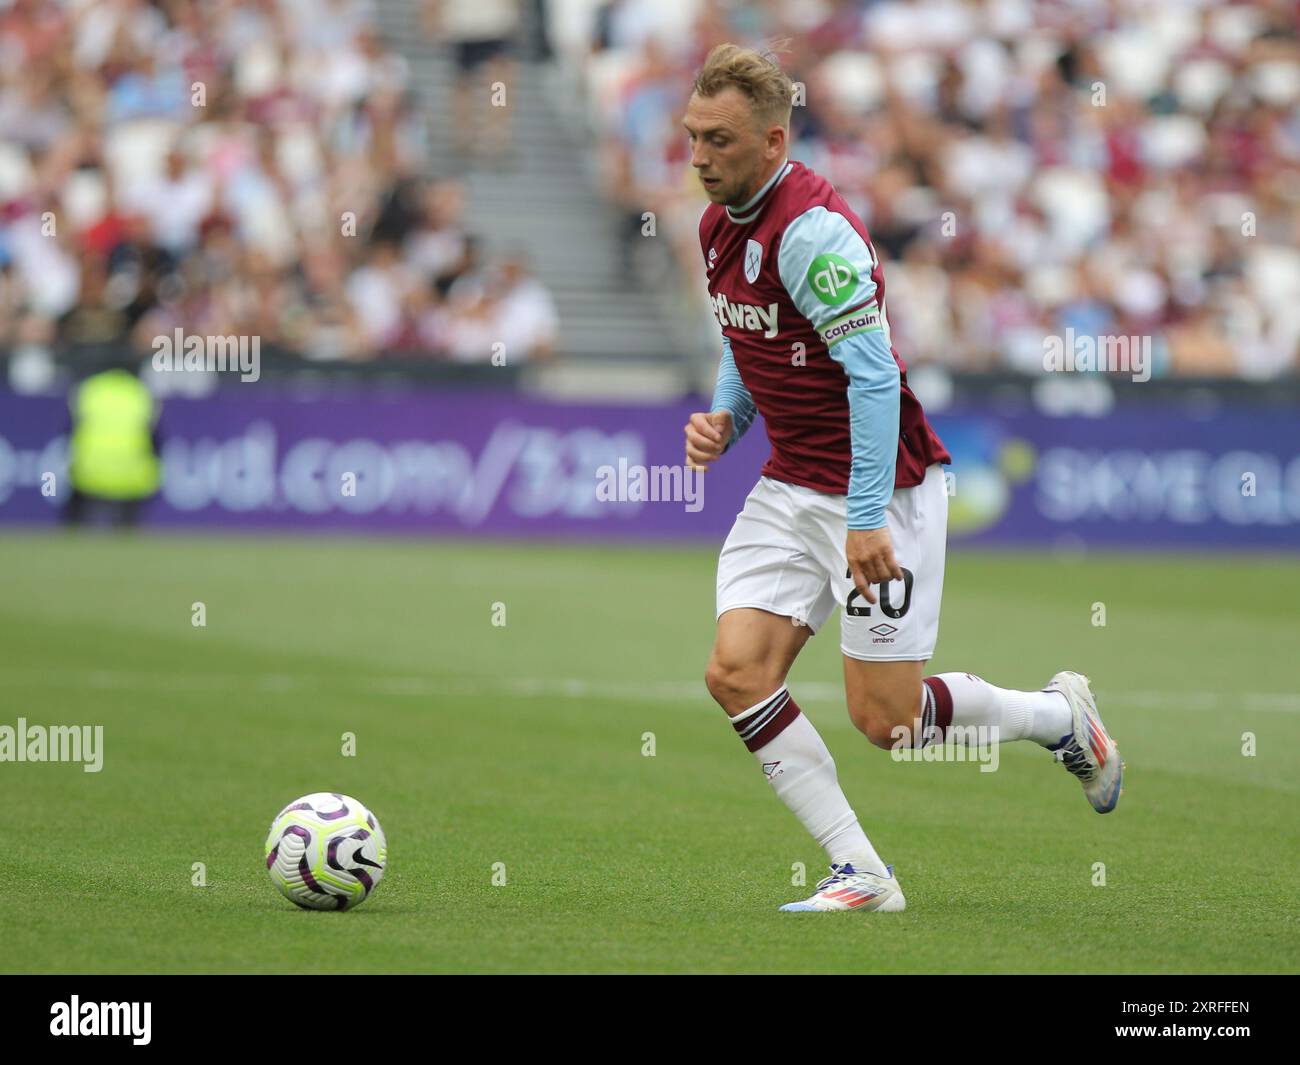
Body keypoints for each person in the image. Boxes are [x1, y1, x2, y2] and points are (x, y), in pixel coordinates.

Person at [681, 44, 1124, 913]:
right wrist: (728, 417)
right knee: (736, 672)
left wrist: (866, 514)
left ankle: (1059, 718)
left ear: (773, 141)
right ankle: (863, 873)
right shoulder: (716, 222)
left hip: (878, 492)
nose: (699, 157)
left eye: (720, 140)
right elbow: (746, 336)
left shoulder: (812, 233)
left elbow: (876, 375)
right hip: (789, 485)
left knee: (888, 721)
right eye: (693, 136)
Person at [65, 362, 161, 527]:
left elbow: (70, 431)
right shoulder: (141, 392)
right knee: (127, 534)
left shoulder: (88, 389)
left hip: (89, 474)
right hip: (133, 476)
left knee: (79, 527)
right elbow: (155, 437)